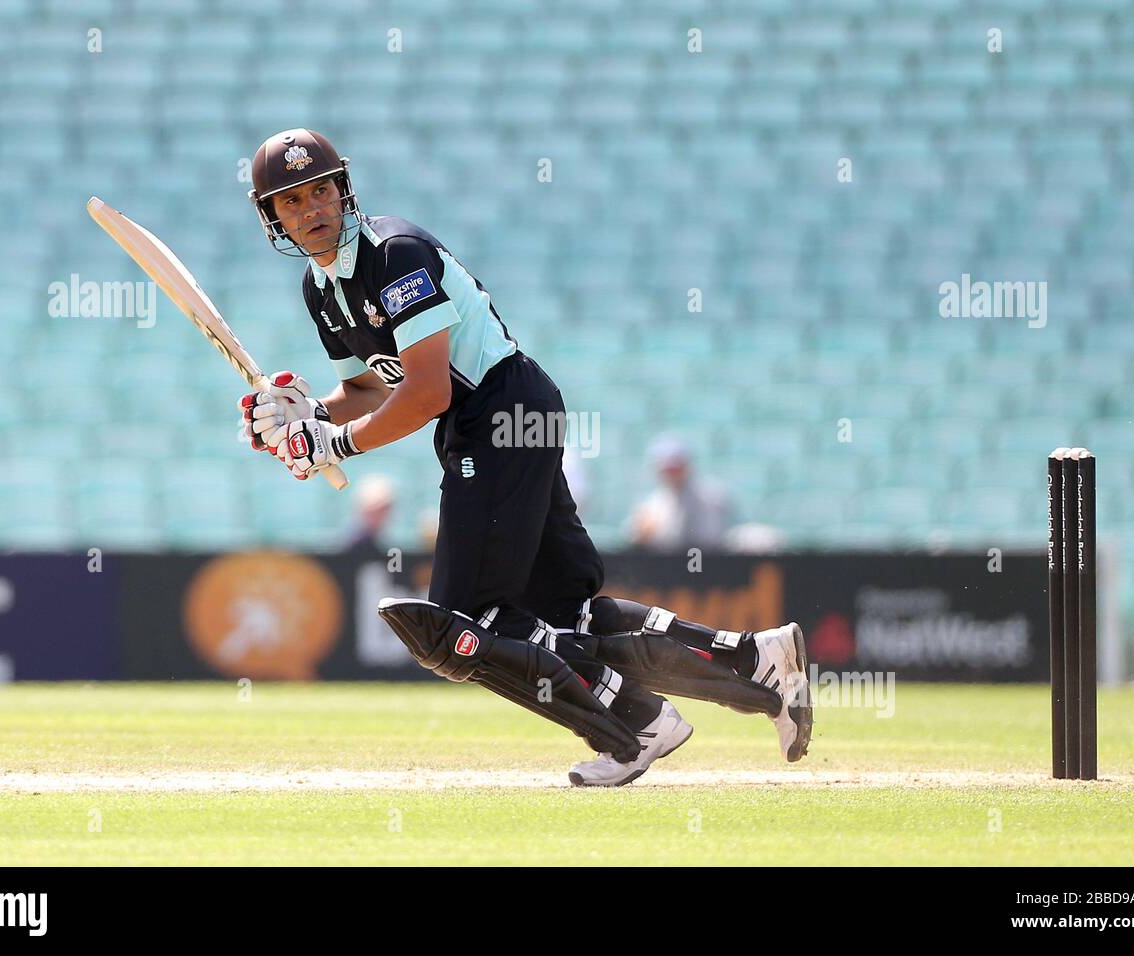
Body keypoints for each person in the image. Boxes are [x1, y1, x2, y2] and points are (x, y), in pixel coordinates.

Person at [236, 129, 811, 785]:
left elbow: (427, 390)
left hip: (500, 416)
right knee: (574, 613)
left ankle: (634, 725)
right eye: (291, 202)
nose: (311, 209)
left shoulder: (395, 255)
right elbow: (371, 385)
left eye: (320, 191)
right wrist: (305, 416)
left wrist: (333, 444)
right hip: (499, 417)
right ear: (273, 217)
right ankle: (755, 662)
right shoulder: (321, 290)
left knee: (459, 624)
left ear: (342, 189)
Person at [628, 434, 734, 550]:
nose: (672, 474)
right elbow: (634, 536)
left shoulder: (711, 496)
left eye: (676, 469)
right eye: (668, 470)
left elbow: (709, 540)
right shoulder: (654, 502)